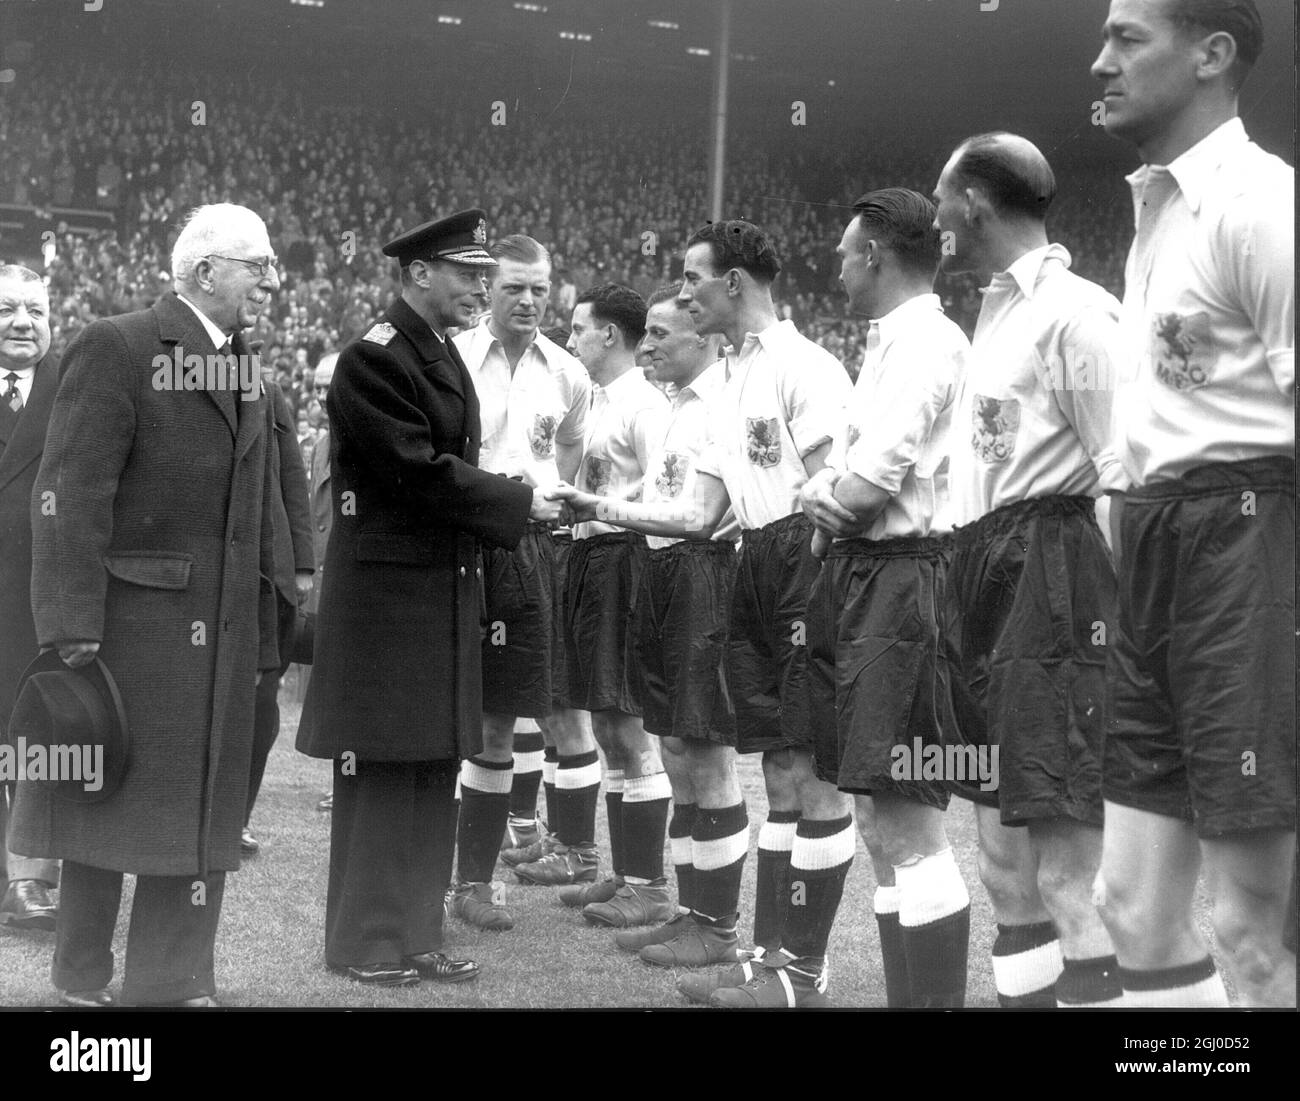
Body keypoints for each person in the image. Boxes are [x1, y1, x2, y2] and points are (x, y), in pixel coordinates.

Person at [561, 221, 855, 1007]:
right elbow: (699, 514)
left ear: (734, 284)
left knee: (811, 774)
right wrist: (597, 506)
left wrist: (811, 586)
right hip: (754, 561)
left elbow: (838, 491)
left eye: (692, 279)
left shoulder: (805, 366)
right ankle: (765, 956)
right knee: (780, 772)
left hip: (804, 562)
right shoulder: (730, 383)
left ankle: (800, 971)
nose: (683, 292)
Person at [11, 203, 283, 1007]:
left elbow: (254, 510)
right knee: (102, 814)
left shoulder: (241, 363)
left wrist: (269, 626)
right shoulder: (119, 344)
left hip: (224, 638)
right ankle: (80, 981)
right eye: (257, 264)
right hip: (129, 637)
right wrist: (69, 624)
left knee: (199, 820)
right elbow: (69, 490)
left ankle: (170, 983)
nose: (273, 279)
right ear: (206, 271)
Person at [1091, 0, 1295, 1006]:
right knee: (1130, 905)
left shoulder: (1260, 203)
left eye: (1127, 39)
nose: (1100, 61)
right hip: (1158, 544)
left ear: (1211, 54)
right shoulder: (1158, 209)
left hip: (1252, 546)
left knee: (1255, 929)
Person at [297, 210, 557, 987]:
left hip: (436, 597)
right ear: (417, 274)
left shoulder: (433, 352)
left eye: (486, 273)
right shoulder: (373, 359)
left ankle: (415, 933)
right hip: (388, 604)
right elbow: (416, 469)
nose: (481, 286)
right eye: (468, 272)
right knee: (381, 771)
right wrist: (518, 500)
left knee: (430, 768)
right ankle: (364, 941)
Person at [932, 133, 1126, 1008]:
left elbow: (1123, 471)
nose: (933, 218)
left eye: (940, 200)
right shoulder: (993, 309)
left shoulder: (1079, 311)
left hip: (1051, 574)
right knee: (1004, 861)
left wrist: (1124, 624)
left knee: (1064, 869)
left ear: (971, 202)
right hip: (979, 572)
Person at [799, 189, 973, 1008]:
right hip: (867, 578)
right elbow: (837, 483)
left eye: (843, 250)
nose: (834, 265)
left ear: (875, 254)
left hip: (905, 578)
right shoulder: (883, 342)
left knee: (908, 819)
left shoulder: (928, 342)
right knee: (878, 818)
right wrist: (824, 491)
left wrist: (820, 492)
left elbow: (860, 491)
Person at [557, 284, 748, 963]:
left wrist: (599, 508)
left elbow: (700, 514)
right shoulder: (670, 405)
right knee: (672, 746)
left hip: (701, 571)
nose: (648, 346)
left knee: (704, 750)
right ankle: (683, 907)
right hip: (659, 566)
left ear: (704, 334)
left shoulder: (720, 404)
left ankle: (711, 922)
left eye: (661, 334)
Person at [514, 284, 674, 934]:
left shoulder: (646, 404)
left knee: (629, 724)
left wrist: (602, 514)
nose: (571, 339)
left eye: (580, 329)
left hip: (624, 561)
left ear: (609, 334)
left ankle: (650, 883)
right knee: (606, 722)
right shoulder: (602, 402)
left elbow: (668, 495)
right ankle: (623, 869)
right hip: (587, 558)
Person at [447, 235, 591, 931]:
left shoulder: (567, 373)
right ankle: (420, 872)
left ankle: (471, 883)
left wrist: (545, 496)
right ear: (486, 287)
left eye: (540, 288)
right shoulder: (452, 358)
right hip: (454, 537)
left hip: (525, 545)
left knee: (501, 717)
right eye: (514, 287)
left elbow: (569, 454)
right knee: (435, 709)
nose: (529, 300)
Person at [0, 265, 60, 932]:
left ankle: (32, 882)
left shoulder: (75, 382)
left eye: (36, 310)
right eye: (9, 308)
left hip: (48, 592)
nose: (23, 321)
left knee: (44, 737)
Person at [242, 367, 314, 855]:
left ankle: (236, 816)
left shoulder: (264, 388)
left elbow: (292, 475)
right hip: (203, 578)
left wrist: (303, 565)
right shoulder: (170, 379)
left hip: (268, 579)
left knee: (261, 708)